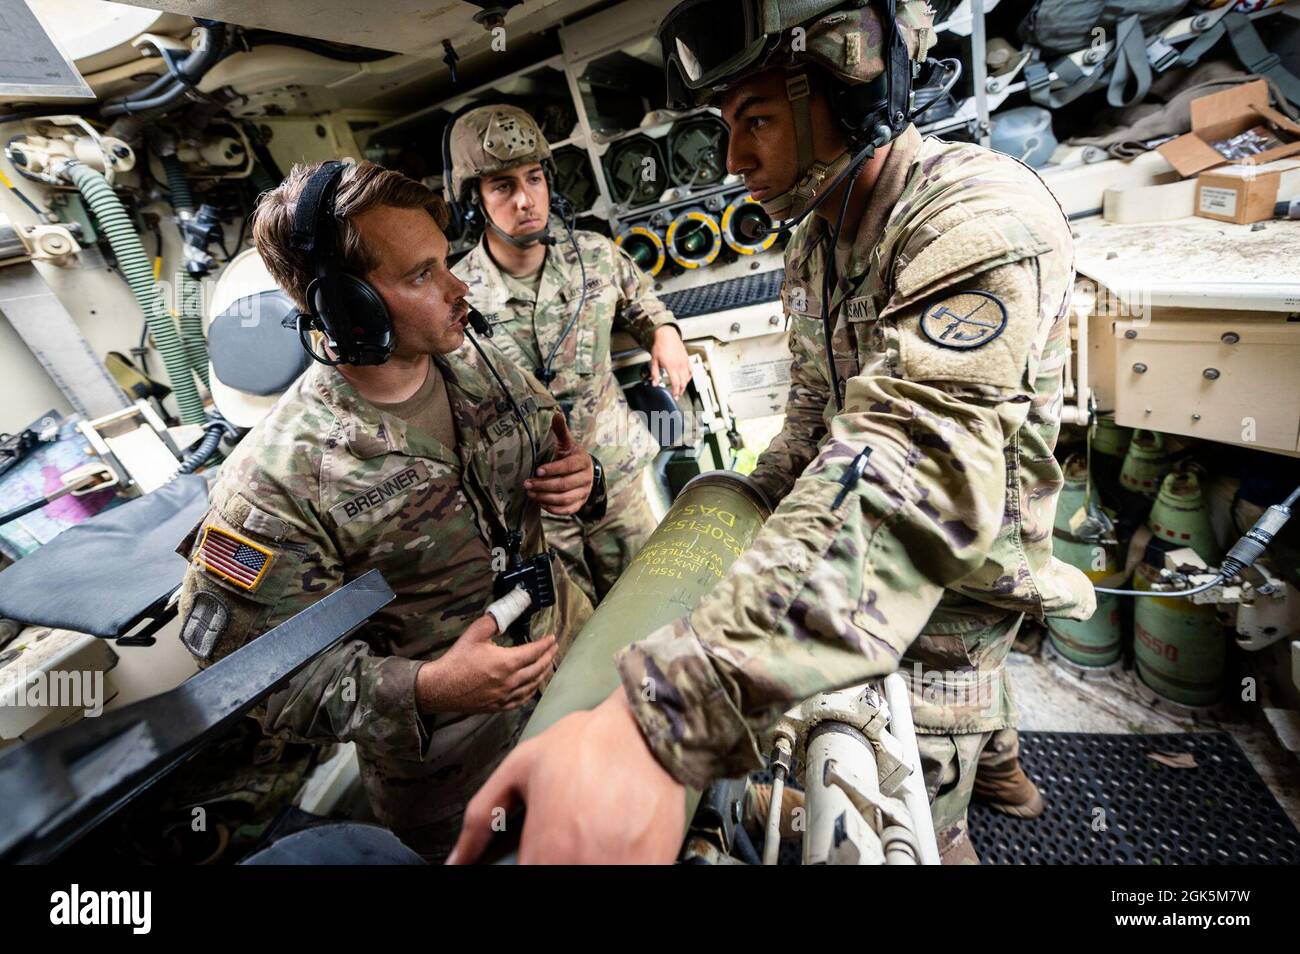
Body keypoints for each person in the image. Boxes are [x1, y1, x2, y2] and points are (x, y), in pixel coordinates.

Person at [448, 0, 1094, 865]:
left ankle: (973, 798)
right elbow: (813, 420)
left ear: (854, 94)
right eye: (725, 127)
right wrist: (744, 503)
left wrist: (674, 715)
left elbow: (908, 468)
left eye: (755, 120)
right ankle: (1002, 757)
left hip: (968, 557)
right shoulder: (816, 241)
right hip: (881, 553)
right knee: (962, 690)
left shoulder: (974, 217)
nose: (734, 158)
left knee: (931, 759)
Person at [175, 159, 602, 860]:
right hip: (457, 768)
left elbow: (560, 465)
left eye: (445, 261)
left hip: (574, 671)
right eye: (421, 276)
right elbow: (255, 680)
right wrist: (426, 687)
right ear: (349, 308)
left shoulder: (483, 365)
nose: (459, 288)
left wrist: (582, 482)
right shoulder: (273, 484)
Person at [449, 104, 691, 603]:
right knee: (575, 642)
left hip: (618, 483)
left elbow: (640, 298)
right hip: (532, 508)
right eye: (502, 187)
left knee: (656, 609)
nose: (525, 200)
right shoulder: (456, 294)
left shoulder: (594, 254)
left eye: (534, 179)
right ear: (474, 203)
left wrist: (665, 332)